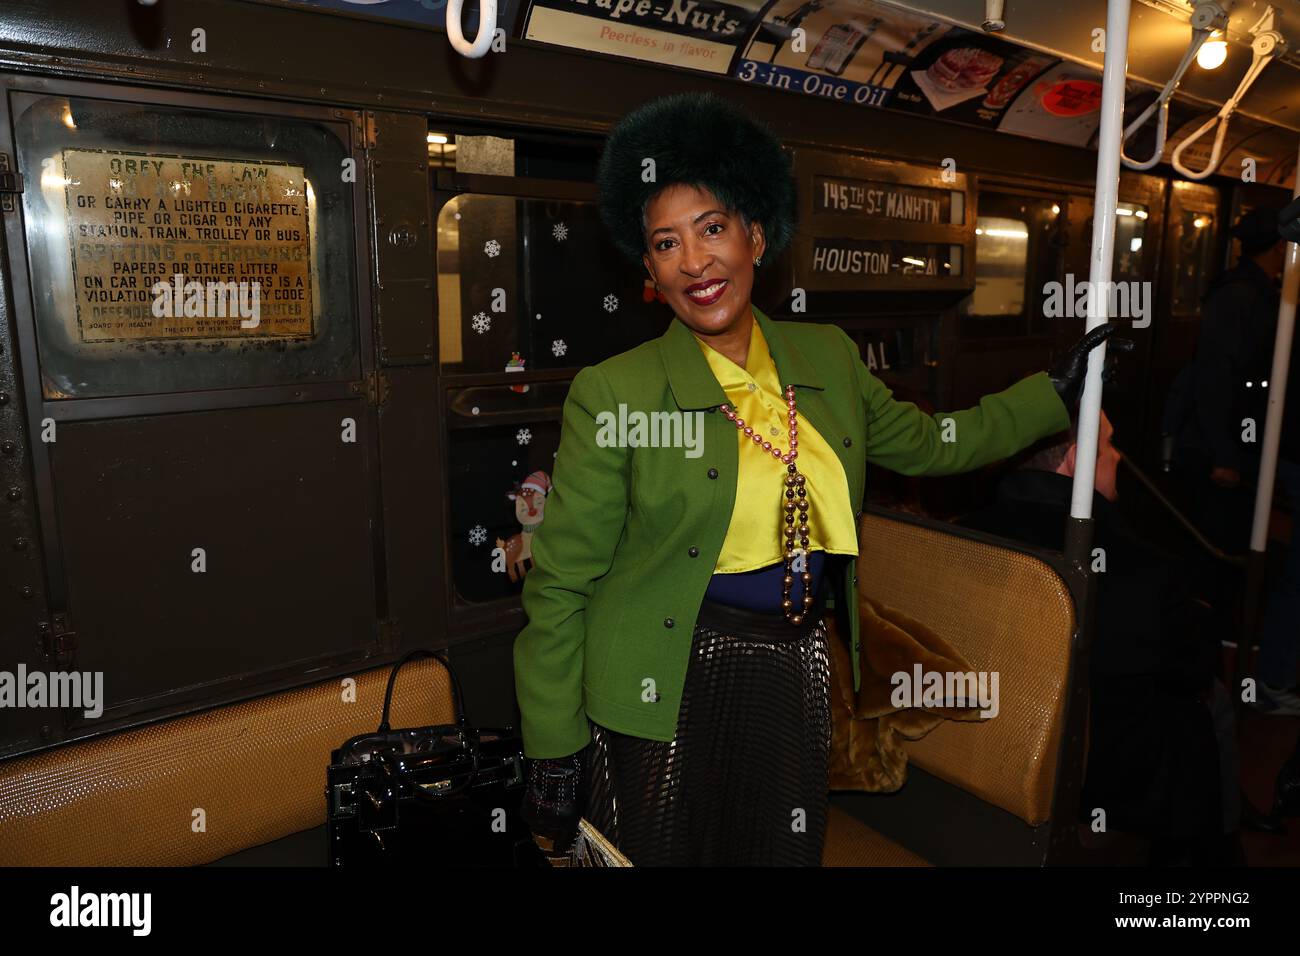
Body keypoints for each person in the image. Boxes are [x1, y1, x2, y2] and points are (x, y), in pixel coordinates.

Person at [513, 90, 1113, 866]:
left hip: (796, 665)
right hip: (666, 679)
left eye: (713, 229)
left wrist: (1049, 395)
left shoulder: (826, 355)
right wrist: (552, 750)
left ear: (757, 237)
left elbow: (933, 445)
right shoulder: (617, 390)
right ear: (650, 270)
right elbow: (559, 587)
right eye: (666, 244)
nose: (694, 261)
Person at [958, 408, 1279, 861]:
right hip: (1093, 764)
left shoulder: (965, 532)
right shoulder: (1141, 567)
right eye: (1108, 446)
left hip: (989, 735)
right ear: (1077, 459)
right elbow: (1190, 669)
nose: (1119, 457)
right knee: (1210, 710)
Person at [1169, 205, 1300, 714]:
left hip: (1239, 445)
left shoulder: (1258, 294)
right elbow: (1217, 378)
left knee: (1232, 541)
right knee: (1213, 548)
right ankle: (1216, 652)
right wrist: (1226, 453)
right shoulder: (1242, 297)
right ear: (1278, 249)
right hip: (1219, 447)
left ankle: (1226, 640)